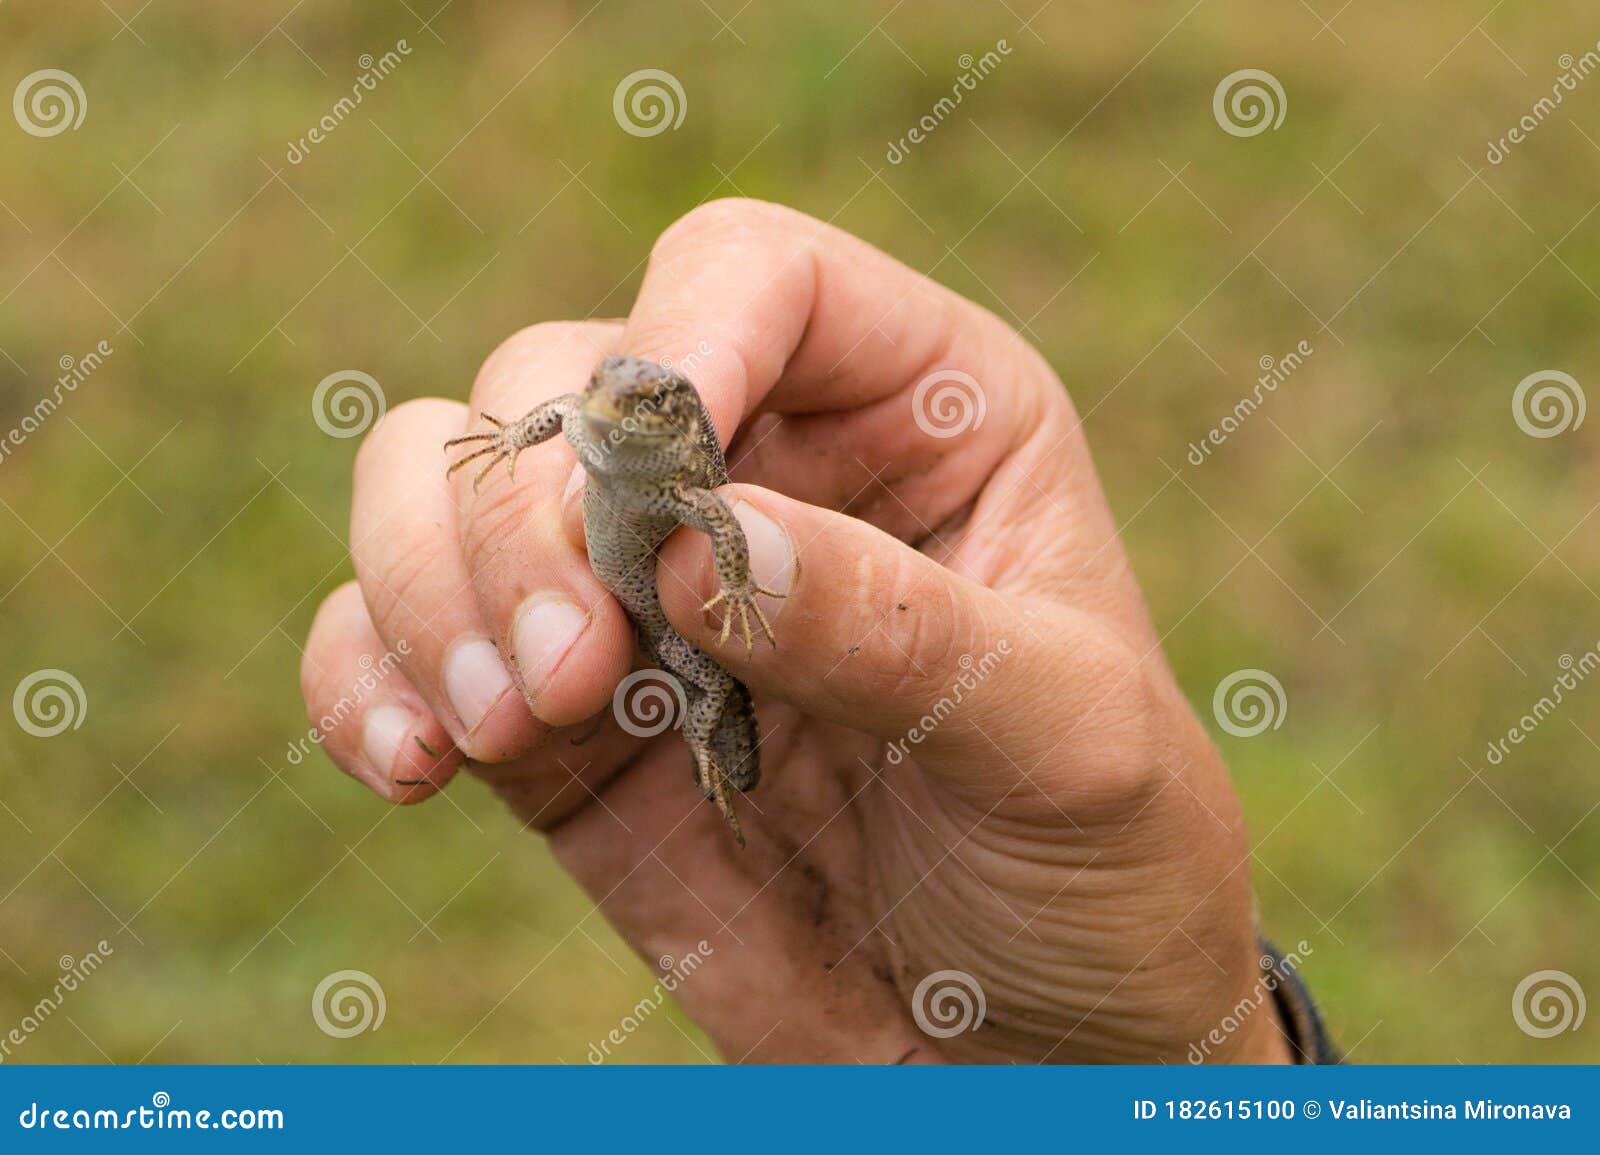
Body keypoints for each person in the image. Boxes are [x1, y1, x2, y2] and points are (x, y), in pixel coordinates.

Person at [298, 199, 1337, 1064]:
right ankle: (704, 754)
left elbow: (714, 523)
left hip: (673, 641)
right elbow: (557, 419)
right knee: (612, 652)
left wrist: (744, 595)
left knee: (705, 694)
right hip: (620, 641)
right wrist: (507, 440)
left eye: (649, 398)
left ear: (673, 422)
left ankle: (713, 760)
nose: (614, 406)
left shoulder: (690, 494)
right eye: (613, 392)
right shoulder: (590, 421)